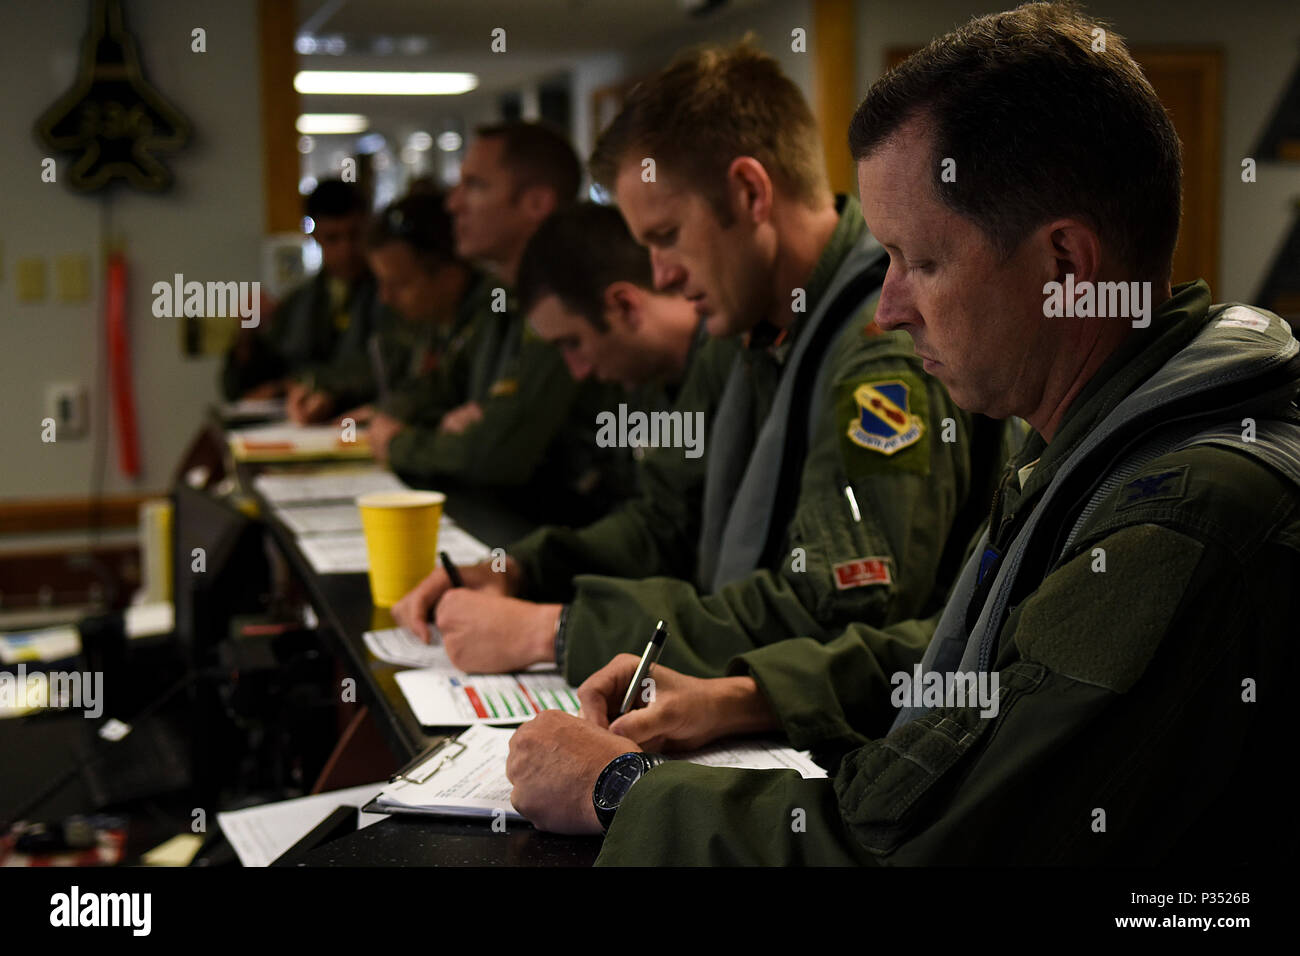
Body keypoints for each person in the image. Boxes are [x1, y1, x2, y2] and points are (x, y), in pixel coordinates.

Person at [506, 2, 1300, 866]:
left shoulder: (1177, 518)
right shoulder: (1105, 436)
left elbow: (919, 854)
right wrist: (747, 694)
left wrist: (618, 788)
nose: (887, 310)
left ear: (1066, 268)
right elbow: (995, 659)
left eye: (921, 262)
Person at [395, 43, 1014, 686]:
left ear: (749, 193)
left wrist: (551, 630)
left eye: (666, 238)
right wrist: (517, 568)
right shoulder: (740, 324)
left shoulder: (880, 355)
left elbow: (830, 610)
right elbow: (665, 517)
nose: (660, 274)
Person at [368, 123, 632, 524]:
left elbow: (496, 454)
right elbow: (437, 389)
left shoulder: (571, 299)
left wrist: (400, 444)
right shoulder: (498, 296)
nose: (453, 204)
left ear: (536, 203)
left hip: (565, 535)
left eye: (474, 186)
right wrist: (450, 424)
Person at [221, 179, 384, 402]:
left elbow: (384, 368)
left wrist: (292, 385)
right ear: (314, 236)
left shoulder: (393, 294)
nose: (346, 250)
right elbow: (240, 390)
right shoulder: (296, 304)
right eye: (333, 238)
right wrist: (246, 338)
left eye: (354, 235)